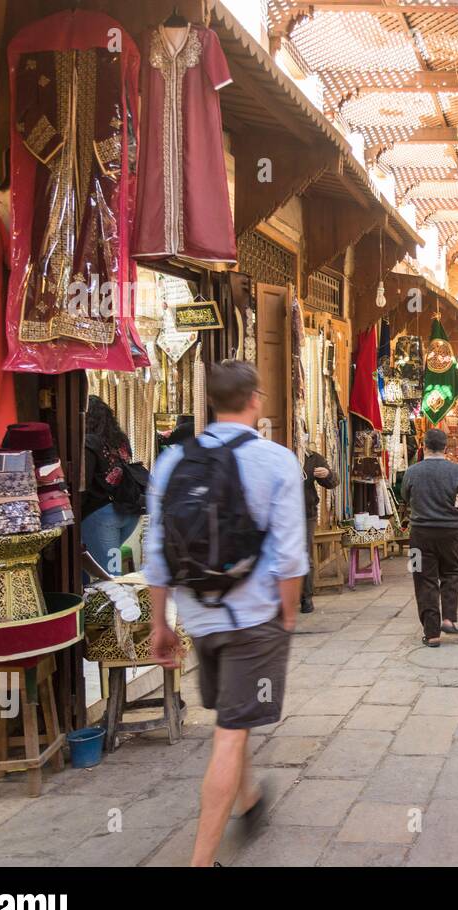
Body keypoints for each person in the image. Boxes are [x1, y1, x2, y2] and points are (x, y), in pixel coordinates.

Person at [146, 361, 307, 866]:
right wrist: (287, 615)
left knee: (230, 716)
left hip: (199, 617)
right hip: (253, 619)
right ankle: (201, 861)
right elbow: (289, 555)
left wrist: (159, 623)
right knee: (230, 731)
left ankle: (249, 800)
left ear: (211, 402)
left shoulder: (173, 462)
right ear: (255, 399)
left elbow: (156, 551)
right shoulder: (276, 460)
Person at [402, 428, 458, 646]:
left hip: (419, 534)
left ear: (423, 446)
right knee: (451, 573)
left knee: (422, 577)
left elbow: (405, 496)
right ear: (445, 447)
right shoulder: (456, 471)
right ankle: (448, 618)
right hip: (450, 533)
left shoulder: (412, 471)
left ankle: (432, 632)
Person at [81, 396, 147, 577]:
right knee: (103, 565)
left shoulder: (89, 442)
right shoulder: (120, 441)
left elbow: (83, 485)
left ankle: (119, 606)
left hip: (101, 516)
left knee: (111, 576)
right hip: (127, 513)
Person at [300, 443, 340, 614]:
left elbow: (333, 482)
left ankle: (306, 598)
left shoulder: (312, 458)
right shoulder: (279, 455)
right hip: (281, 512)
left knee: (304, 554)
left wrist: (328, 474)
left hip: (305, 514)